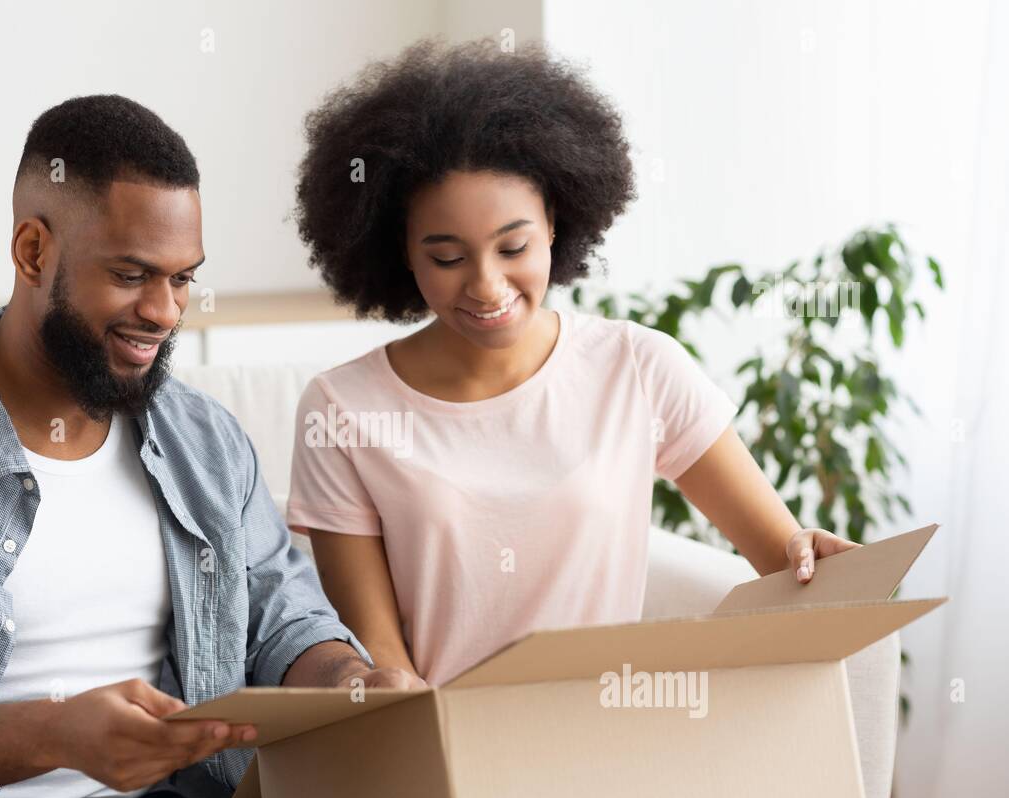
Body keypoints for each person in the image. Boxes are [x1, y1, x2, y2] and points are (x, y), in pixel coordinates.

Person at [0, 94, 418, 798]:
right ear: (32, 253)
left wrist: (352, 681)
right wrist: (60, 732)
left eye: (183, 279)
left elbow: (282, 620)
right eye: (132, 275)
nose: (163, 312)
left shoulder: (206, 439)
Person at [287, 39, 862, 687]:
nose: (486, 285)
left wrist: (808, 552)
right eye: (447, 258)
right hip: (436, 740)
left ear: (555, 222)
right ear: (401, 250)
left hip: (606, 735)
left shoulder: (639, 368)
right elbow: (378, 657)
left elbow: (785, 560)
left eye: (514, 246)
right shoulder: (343, 408)